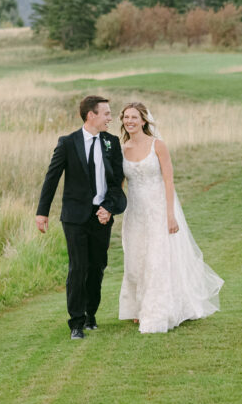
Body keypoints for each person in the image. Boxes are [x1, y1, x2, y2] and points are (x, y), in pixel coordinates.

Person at [116, 102, 223, 333]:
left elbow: (168, 181)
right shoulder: (122, 149)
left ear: (143, 120)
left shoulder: (158, 146)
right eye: (126, 117)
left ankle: (157, 311)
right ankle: (138, 306)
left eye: (134, 117)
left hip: (157, 209)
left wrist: (170, 215)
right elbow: (119, 184)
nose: (130, 121)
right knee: (135, 260)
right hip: (134, 212)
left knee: (156, 259)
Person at [35, 95, 127, 339]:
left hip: (101, 217)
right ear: (91, 115)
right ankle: (76, 322)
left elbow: (117, 182)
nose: (110, 117)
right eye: (106, 113)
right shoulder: (68, 143)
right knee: (78, 267)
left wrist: (108, 207)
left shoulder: (112, 142)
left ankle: (90, 313)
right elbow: (51, 177)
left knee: (97, 266)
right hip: (74, 217)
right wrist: (42, 212)